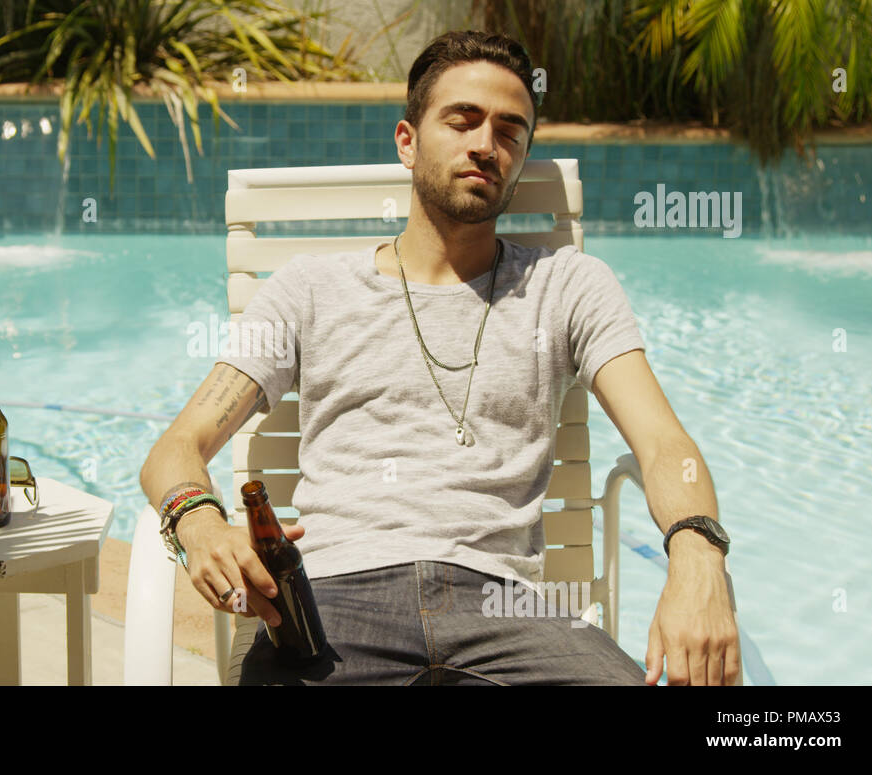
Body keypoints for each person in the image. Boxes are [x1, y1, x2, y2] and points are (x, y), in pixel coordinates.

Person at [140, 30, 739, 686]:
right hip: (337, 603)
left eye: (511, 130)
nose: (487, 143)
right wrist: (196, 521)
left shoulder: (569, 286)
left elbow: (664, 445)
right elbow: (177, 445)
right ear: (408, 140)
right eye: (462, 120)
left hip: (508, 610)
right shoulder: (309, 289)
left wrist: (698, 557)